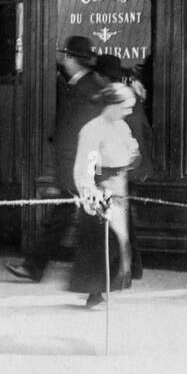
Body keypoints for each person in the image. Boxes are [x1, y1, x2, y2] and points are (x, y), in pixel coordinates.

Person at [5, 36, 106, 283]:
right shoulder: (81, 85)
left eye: (67, 56)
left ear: (73, 59)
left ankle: (93, 279)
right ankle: (35, 267)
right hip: (76, 167)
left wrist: (73, 170)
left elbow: (80, 133)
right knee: (65, 219)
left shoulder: (87, 89)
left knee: (84, 223)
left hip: (80, 168)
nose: (64, 60)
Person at [69, 83, 141, 309]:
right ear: (112, 105)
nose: (129, 112)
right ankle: (95, 292)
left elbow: (130, 154)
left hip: (119, 187)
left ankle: (108, 288)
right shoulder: (92, 129)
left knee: (118, 241)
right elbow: (85, 166)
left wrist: (133, 154)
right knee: (100, 243)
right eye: (125, 107)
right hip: (101, 189)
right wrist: (89, 192)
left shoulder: (122, 127)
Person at [97, 55, 153, 280]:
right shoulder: (131, 96)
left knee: (116, 220)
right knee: (123, 218)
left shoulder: (114, 97)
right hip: (132, 164)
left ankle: (123, 270)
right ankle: (134, 266)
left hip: (120, 166)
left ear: (103, 76)